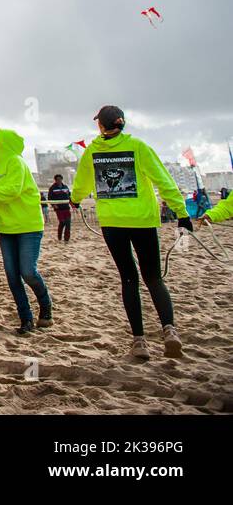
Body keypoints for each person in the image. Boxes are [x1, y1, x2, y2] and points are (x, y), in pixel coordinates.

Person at [72, 105, 192, 361]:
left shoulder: (93, 151)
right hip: (143, 221)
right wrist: (181, 212)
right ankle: (169, 330)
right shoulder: (138, 146)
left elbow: (81, 184)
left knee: (128, 278)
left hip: (113, 223)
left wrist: (75, 199)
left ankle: (139, 342)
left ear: (101, 126)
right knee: (154, 278)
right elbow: (163, 180)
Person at [0, 129, 53, 334]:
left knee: (28, 272)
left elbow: (12, 191)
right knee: (12, 276)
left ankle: (46, 305)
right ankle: (26, 318)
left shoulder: (16, 162)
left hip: (27, 227)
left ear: (2, 142)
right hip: (6, 228)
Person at [47, 174, 73, 242]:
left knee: (68, 223)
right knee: (62, 222)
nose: (58, 181)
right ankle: (59, 237)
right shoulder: (52, 188)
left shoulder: (65, 187)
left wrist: (73, 206)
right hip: (58, 209)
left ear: (62, 179)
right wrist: (54, 205)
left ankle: (66, 239)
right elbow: (49, 198)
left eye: (60, 179)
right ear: (55, 180)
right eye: (57, 180)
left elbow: (69, 197)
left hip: (66, 208)